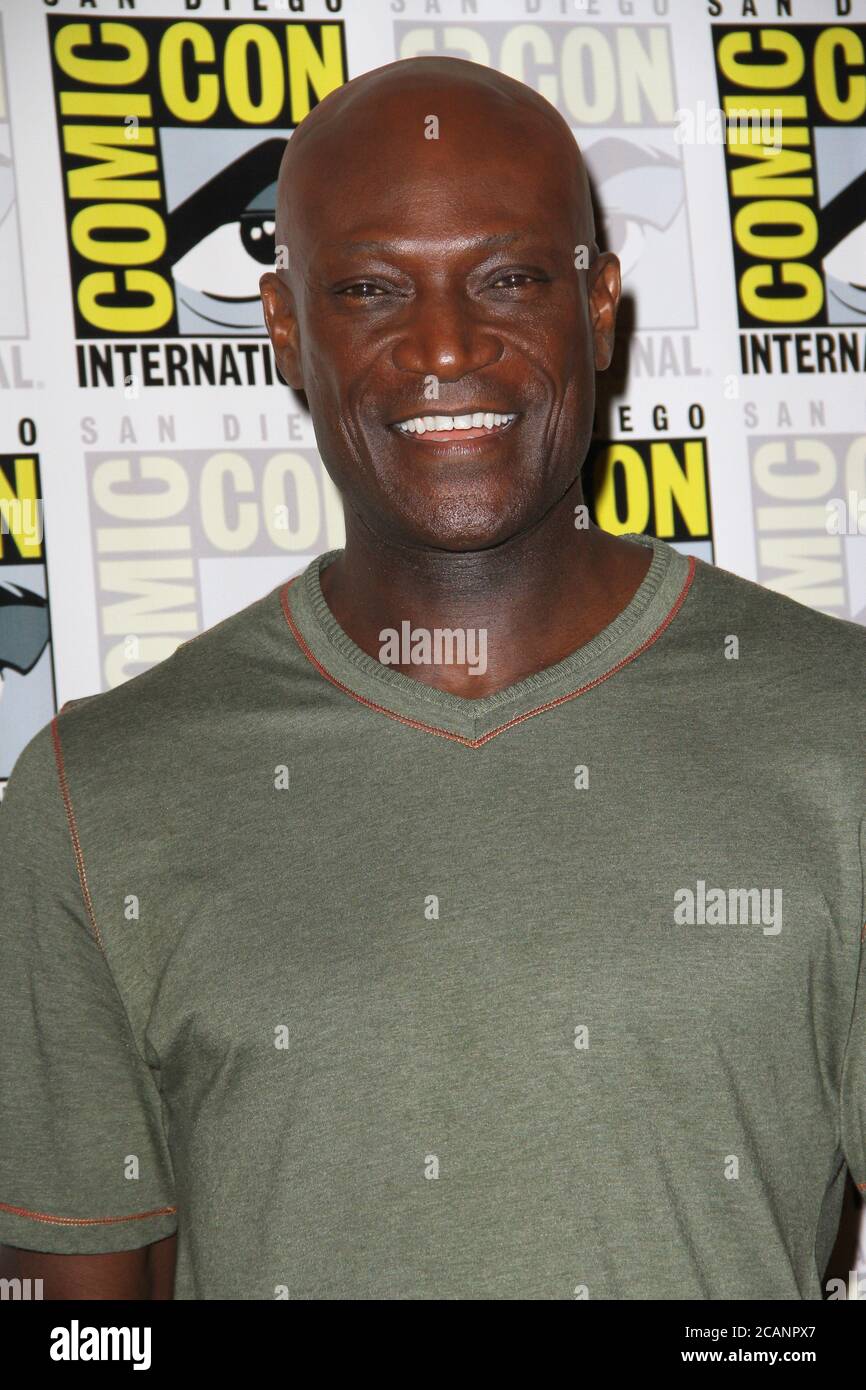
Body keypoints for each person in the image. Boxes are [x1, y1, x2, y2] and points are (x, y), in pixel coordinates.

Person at [0, 57, 863, 1301]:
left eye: (507, 278)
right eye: (367, 289)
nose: (446, 347)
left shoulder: (838, 731)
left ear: (599, 305)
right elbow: (74, 1321)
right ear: (287, 329)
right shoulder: (101, 791)